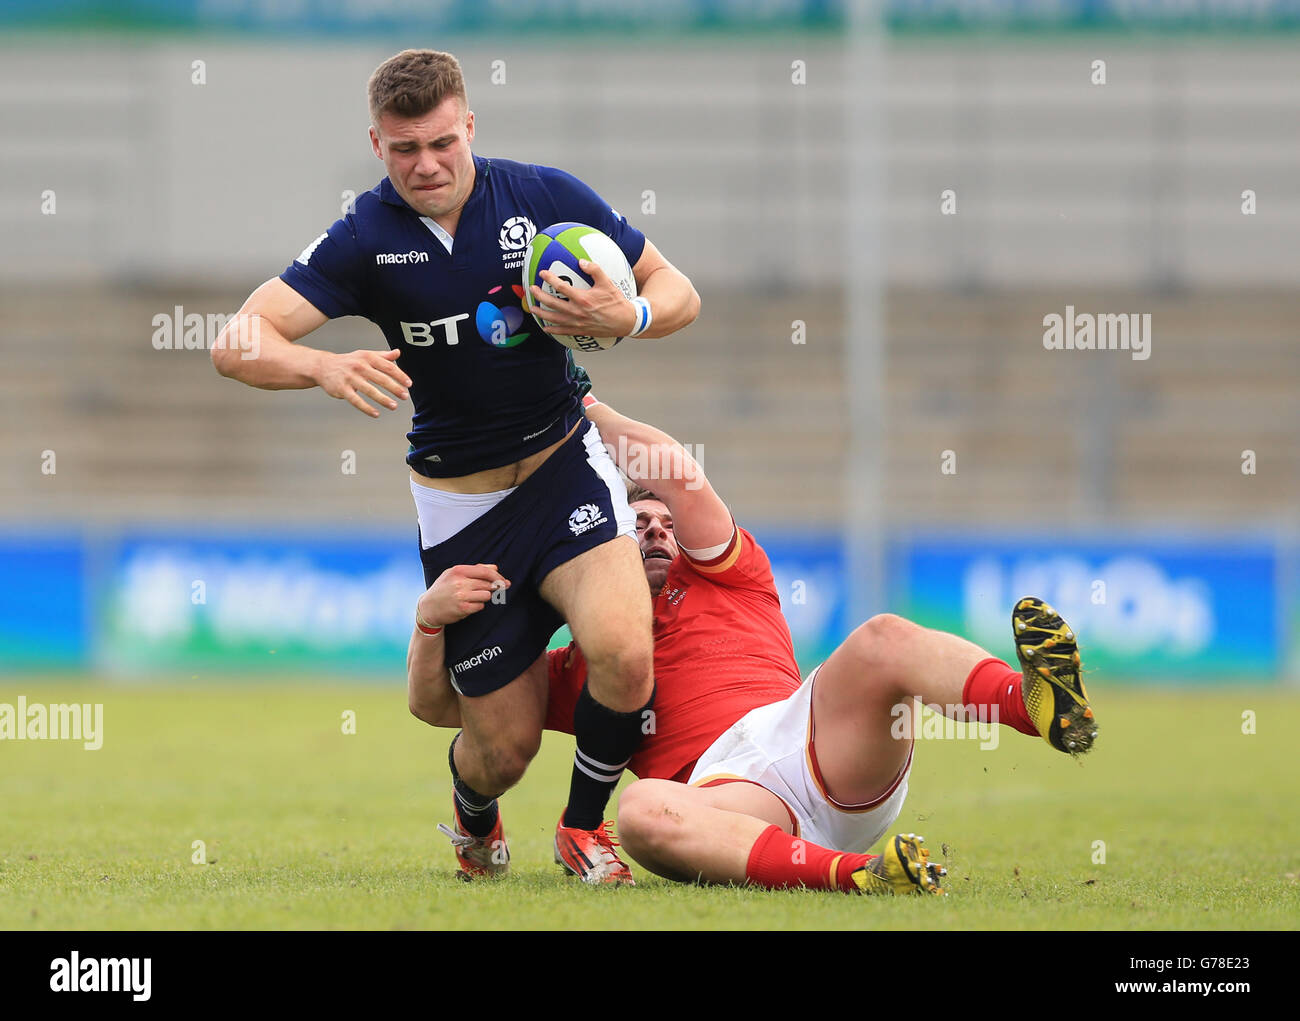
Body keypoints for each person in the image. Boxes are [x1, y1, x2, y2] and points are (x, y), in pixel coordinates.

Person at [211, 49, 701, 885]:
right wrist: (322, 367)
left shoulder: (543, 197)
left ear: (469, 125)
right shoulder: (364, 237)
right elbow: (236, 342)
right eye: (405, 150)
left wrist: (634, 311)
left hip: (564, 467)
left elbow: (678, 287)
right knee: (500, 750)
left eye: (442, 142)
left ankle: (583, 828)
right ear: (377, 144)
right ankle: (476, 814)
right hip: (463, 509)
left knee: (624, 649)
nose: (427, 164)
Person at [408, 394, 1098, 892]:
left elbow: (677, 472)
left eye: (660, 522)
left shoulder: (729, 575)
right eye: (634, 523)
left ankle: (1033, 704)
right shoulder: (594, 662)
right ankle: (863, 876)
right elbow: (445, 709)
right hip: (727, 800)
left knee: (882, 637)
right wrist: (430, 621)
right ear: (602, 548)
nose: (652, 529)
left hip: (814, 737)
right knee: (642, 808)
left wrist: (573, 401)